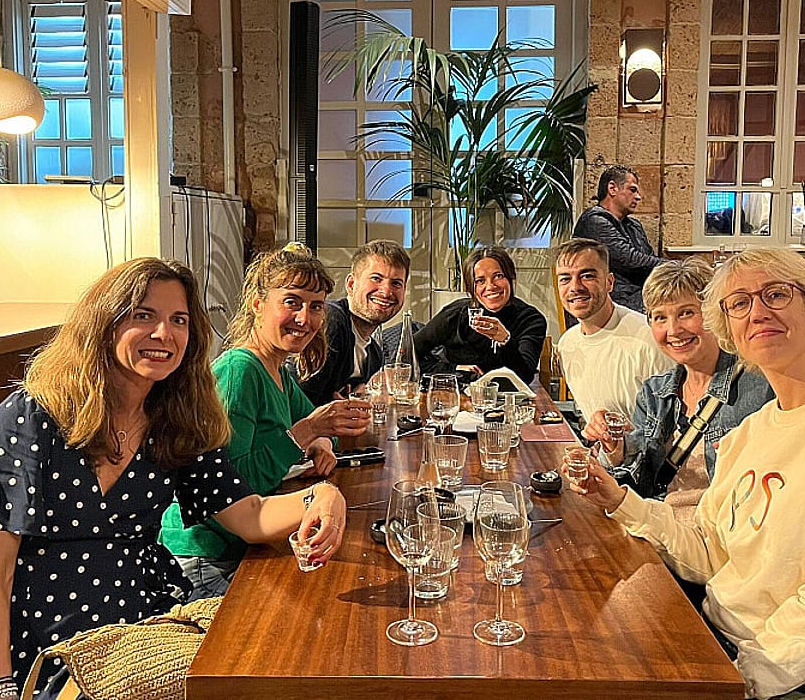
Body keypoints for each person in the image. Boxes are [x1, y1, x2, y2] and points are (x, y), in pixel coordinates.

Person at [0, 257, 347, 700]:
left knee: (299, 654)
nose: (164, 334)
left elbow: (250, 515)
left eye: (178, 320)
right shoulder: (30, 416)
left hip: (145, 633)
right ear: (103, 323)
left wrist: (324, 497)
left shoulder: (172, 422)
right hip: (52, 651)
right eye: (144, 316)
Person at [564, 247, 805, 700]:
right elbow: (708, 549)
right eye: (739, 303)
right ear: (729, 331)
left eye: (776, 294)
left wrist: (742, 676)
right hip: (721, 642)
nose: (758, 312)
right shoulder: (750, 432)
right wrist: (618, 500)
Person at [160, 245, 369, 599]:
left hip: (240, 543)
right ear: (258, 305)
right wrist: (308, 433)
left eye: (315, 306)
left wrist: (319, 440)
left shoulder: (279, 372)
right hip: (204, 555)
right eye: (292, 302)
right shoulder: (239, 371)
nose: (305, 318)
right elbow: (234, 486)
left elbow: (318, 428)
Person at [581, 257, 773, 516]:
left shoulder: (759, 386)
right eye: (660, 317)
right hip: (658, 527)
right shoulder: (654, 393)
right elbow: (636, 484)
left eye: (686, 313)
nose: (673, 330)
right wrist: (614, 446)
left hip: (718, 537)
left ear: (714, 315)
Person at [553, 238, 673, 431]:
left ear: (609, 283)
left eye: (587, 276)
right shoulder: (568, 344)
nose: (575, 287)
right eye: (565, 279)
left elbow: (671, 425)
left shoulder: (648, 339)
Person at [297, 240, 410, 406]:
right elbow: (299, 404)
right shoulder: (332, 321)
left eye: (396, 283)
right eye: (376, 278)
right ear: (351, 284)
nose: (386, 292)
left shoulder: (374, 355)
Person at [413, 245, 547, 383]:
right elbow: (407, 356)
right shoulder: (455, 314)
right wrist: (454, 370)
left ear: (510, 277)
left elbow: (524, 377)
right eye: (480, 281)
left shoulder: (531, 319)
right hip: (455, 397)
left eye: (498, 276)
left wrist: (504, 341)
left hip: (506, 400)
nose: (490, 286)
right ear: (472, 287)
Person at [572, 164, 666, 314]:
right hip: (611, 300)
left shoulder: (634, 226)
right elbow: (629, 260)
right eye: (632, 190)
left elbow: (650, 261)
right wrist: (677, 266)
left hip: (639, 295)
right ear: (612, 188)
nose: (638, 197)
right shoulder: (595, 221)